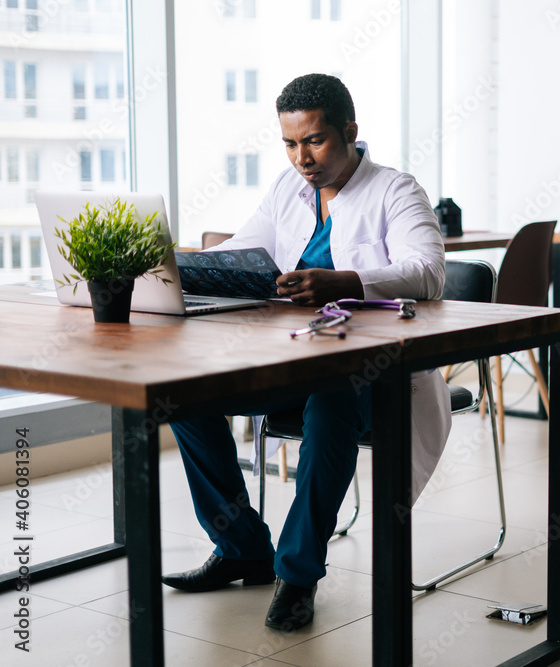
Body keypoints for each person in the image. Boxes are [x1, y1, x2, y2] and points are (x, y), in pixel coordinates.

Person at [163, 73, 451, 632]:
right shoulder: (286, 191)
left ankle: (297, 573)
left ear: (350, 132)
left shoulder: (395, 189)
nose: (302, 158)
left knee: (333, 401)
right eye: (291, 144)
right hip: (291, 356)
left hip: (375, 369)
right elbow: (245, 250)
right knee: (181, 393)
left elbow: (429, 273)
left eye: (315, 141)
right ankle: (242, 545)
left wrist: (344, 281)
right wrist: (188, 261)